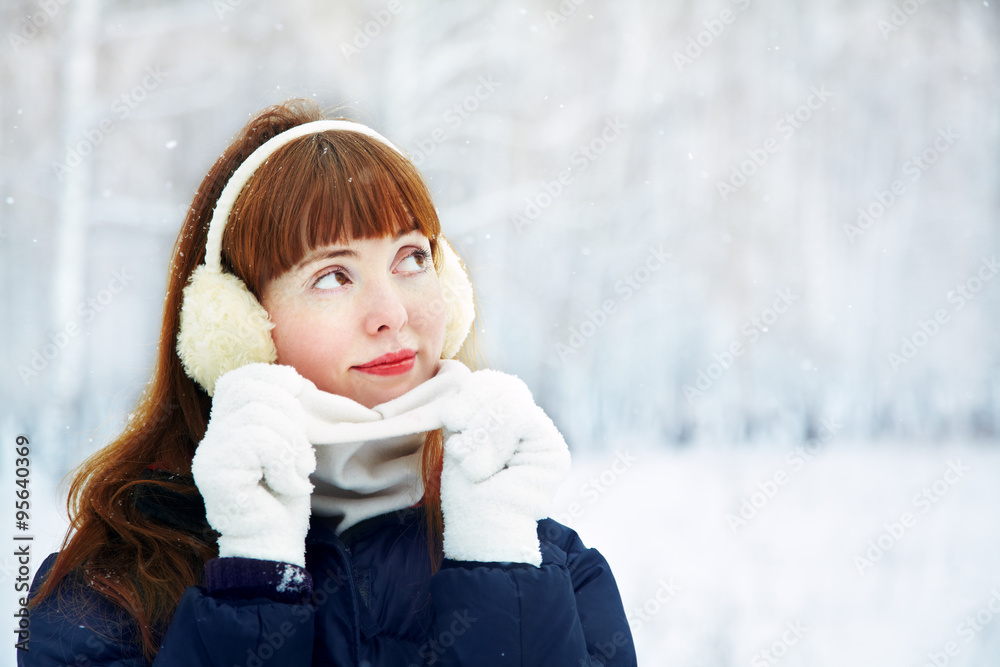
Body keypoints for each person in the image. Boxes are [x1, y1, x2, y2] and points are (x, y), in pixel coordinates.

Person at [20, 99, 637, 666]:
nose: (391, 313)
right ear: (235, 327)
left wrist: (499, 564)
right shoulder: (106, 590)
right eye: (332, 276)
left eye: (412, 258)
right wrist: (254, 578)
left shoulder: (555, 569)